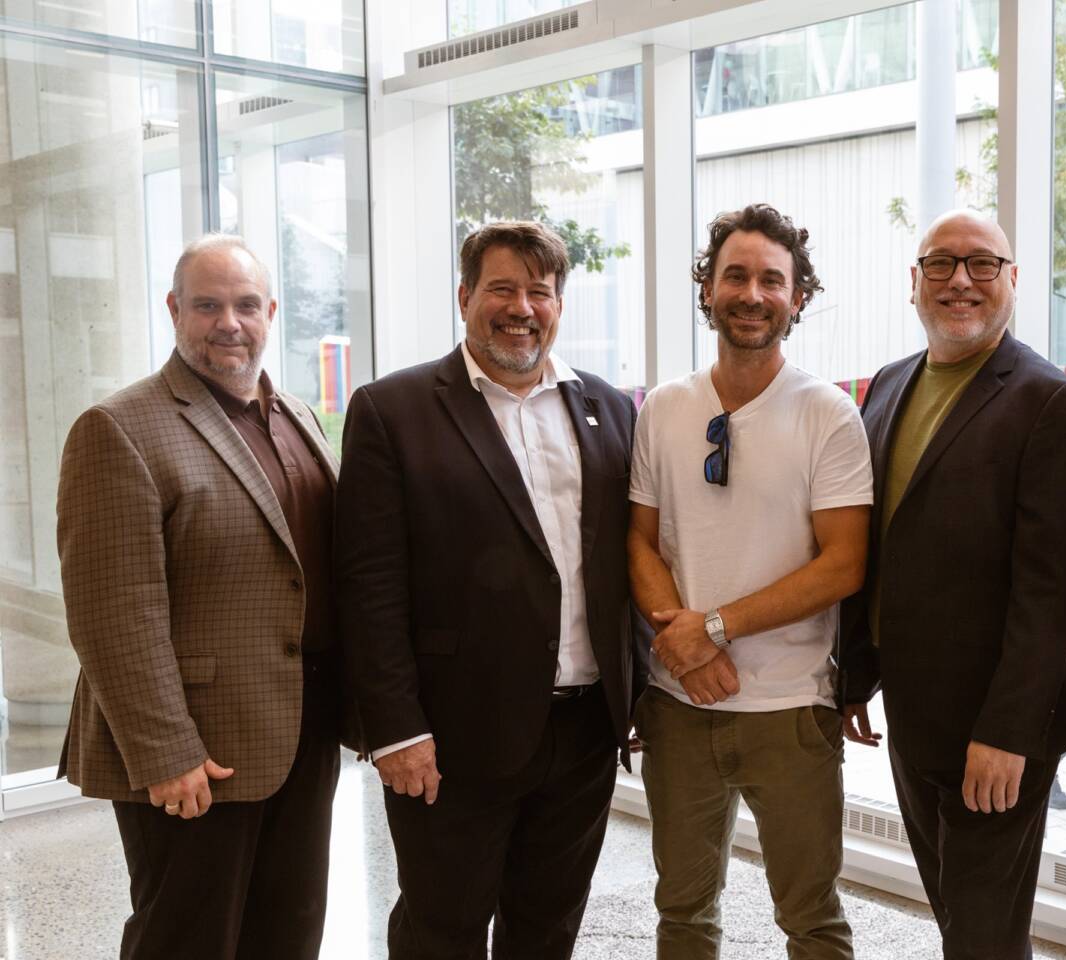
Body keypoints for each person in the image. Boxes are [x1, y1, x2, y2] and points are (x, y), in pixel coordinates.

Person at [335, 220, 640, 960]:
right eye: (502, 288)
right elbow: (368, 584)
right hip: (451, 736)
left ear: (560, 304)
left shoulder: (610, 408)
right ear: (466, 295)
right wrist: (396, 732)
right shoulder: (393, 410)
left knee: (549, 926)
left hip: (583, 731)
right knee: (443, 927)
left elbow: (628, 559)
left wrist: (636, 690)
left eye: (540, 291)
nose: (521, 307)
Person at [55, 233, 350, 959]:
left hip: (299, 732)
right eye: (208, 305)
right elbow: (112, 612)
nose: (230, 323)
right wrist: (164, 752)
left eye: (247, 305)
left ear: (271, 311)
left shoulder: (297, 418)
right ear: (174, 310)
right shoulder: (120, 428)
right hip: (198, 750)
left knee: (286, 933)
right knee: (186, 939)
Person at [839, 211, 1066, 960]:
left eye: (983, 264)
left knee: (985, 934)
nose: (961, 280)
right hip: (913, 711)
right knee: (954, 911)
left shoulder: (1052, 402)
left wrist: (1007, 734)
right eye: (941, 264)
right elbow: (879, 544)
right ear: (914, 284)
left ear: (1013, 281)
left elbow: (1053, 591)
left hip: (996, 727)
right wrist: (857, 673)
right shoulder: (889, 386)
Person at [628, 203, 872, 960]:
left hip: (790, 711)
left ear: (798, 297)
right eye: (735, 275)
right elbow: (639, 540)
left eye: (773, 279)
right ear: (708, 287)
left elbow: (843, 563)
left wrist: (715, 628)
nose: (753, 293)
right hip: (678, 707)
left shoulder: (828, 414)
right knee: (683, 913)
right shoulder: (664, 408)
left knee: (813, 921)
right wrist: (685, 643)